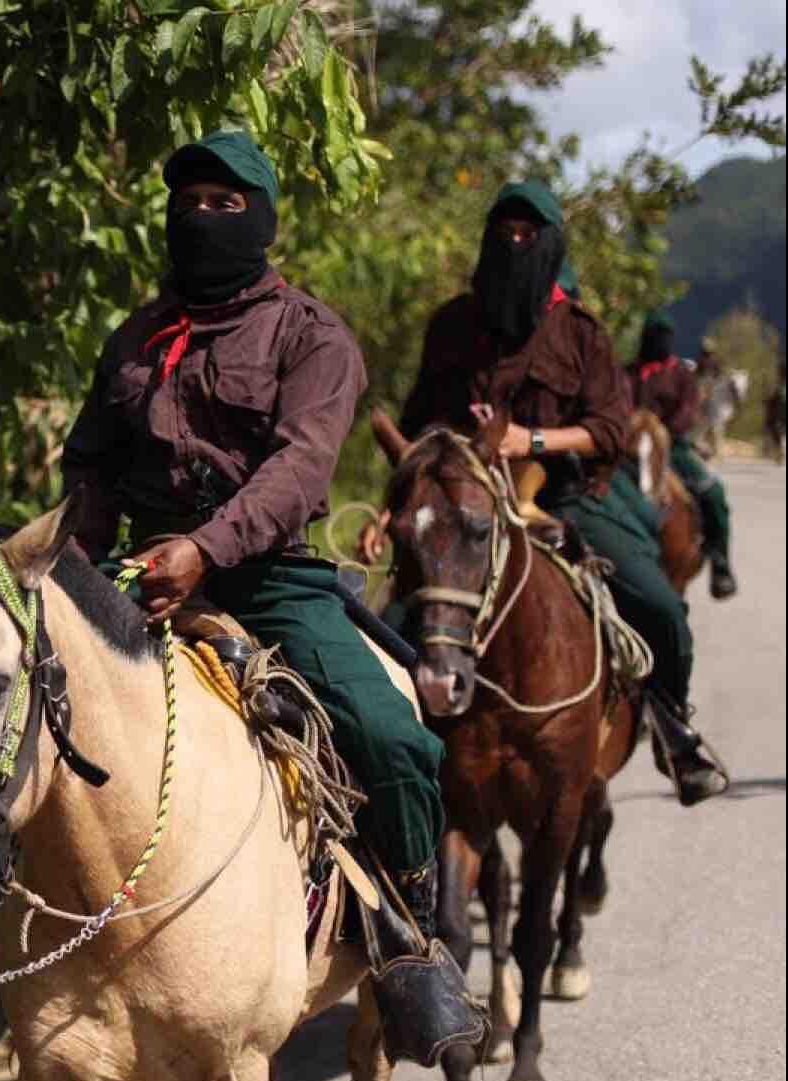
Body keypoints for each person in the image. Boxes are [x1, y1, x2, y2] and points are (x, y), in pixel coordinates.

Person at [59, 130, 476, 1060]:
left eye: (224, 203)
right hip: (136, 570)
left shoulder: (312, 336)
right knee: (16, 701)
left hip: (270, 579)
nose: (201, 217)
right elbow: (90, 465)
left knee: (397, 738)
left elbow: (298, 469)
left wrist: (205, 550)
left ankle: (413, 946)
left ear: (263, 220)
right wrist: (73, 569)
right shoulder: (134, 337)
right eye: (189, 201)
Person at [387, 182, 727, 806]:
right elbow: (418, 426)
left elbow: (608, 430)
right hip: (459, 505)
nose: (516, 244)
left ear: (549, 246)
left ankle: (672, 727)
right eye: (505, 233)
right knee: (384, 622)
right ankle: (379, 763)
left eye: (529, 235)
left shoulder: (582, 335)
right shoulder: (452, 325)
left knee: (662, 609)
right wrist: (393, 506)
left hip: (564, 496)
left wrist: (529, 440)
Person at [629, 312, 736, 598]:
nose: (659, 342)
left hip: (672, 447)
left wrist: (662, 431)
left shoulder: (682, 375)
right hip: (629, 449)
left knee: (713, 493)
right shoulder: (628, 372)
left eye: (665, 336)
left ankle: (720, 563)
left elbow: (688, 412)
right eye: (655, 336)